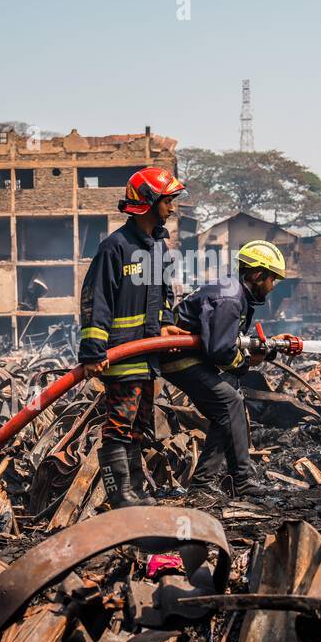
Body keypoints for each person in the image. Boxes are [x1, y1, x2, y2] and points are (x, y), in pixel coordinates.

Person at [78, 166, 187, 507]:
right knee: (119, 427)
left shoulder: (158, 248)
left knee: (138, 427)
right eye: (168, 201)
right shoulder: (115, 248)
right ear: (151, 201)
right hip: (120, 356)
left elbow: (165, 295)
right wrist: (94, 351)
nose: (172, 208)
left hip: (147, 357)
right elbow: (96, 301)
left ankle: (135, 491)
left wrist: (166, 323)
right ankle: (120, 494)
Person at [160, 240, 289, 496]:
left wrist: (269, 347)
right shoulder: (229, 298)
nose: (273, 286)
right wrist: (244, 364)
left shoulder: (238, 295)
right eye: (272, 279)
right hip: (179, 358)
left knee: (227, 411)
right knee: (230, 402)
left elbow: (231, 339)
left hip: (195, 357)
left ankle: (205, 482)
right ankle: (241, 480)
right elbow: (220, 350)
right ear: (256, 274)